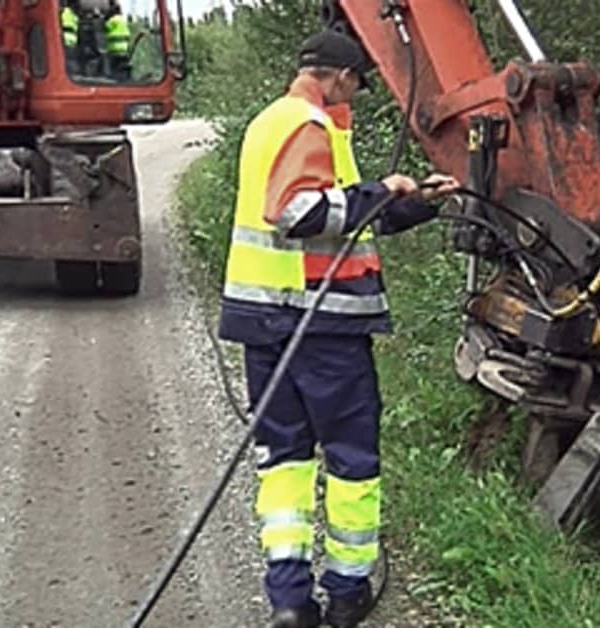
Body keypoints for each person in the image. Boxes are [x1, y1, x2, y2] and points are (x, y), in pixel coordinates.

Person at [216, 28, 459, 628]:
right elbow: (299, 213)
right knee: (351, 459)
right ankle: (348, 591)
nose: (356, 94)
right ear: (340, 76)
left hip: (265, 321)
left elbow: (342, 220)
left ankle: (289, 602)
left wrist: (414, 202)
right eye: (357, 83)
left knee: (285, 459)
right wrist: (381, 190)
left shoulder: (267, 122)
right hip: (318, 327)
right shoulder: (310, 125)